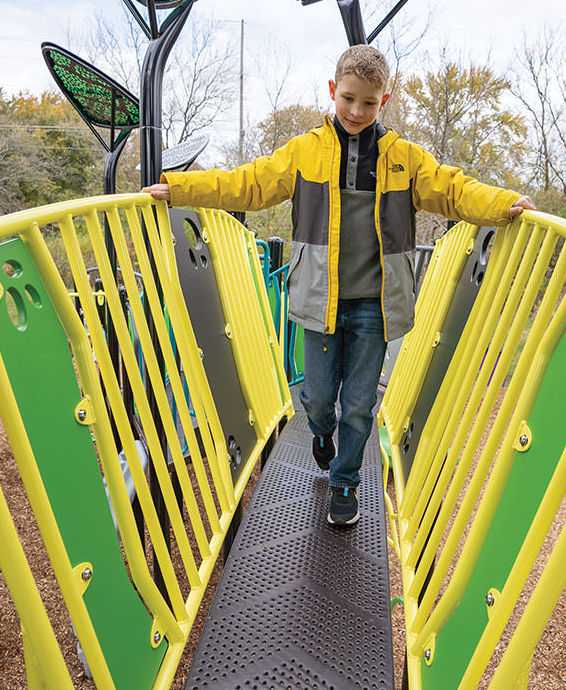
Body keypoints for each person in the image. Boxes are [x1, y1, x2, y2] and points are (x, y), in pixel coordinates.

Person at [144, 44, 535, 527]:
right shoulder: (305, 152)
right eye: (349, 98)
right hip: (318, 296)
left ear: (384, 101)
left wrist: (503, 203)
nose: (356, 111)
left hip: (374, 303)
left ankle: (345, 484)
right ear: (333, 91)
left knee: (358, 404)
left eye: (369, 103)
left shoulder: (405, 160)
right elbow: (246, 183)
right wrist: (180, 188)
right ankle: (320, 432)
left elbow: (453, 189)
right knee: (319, 398)